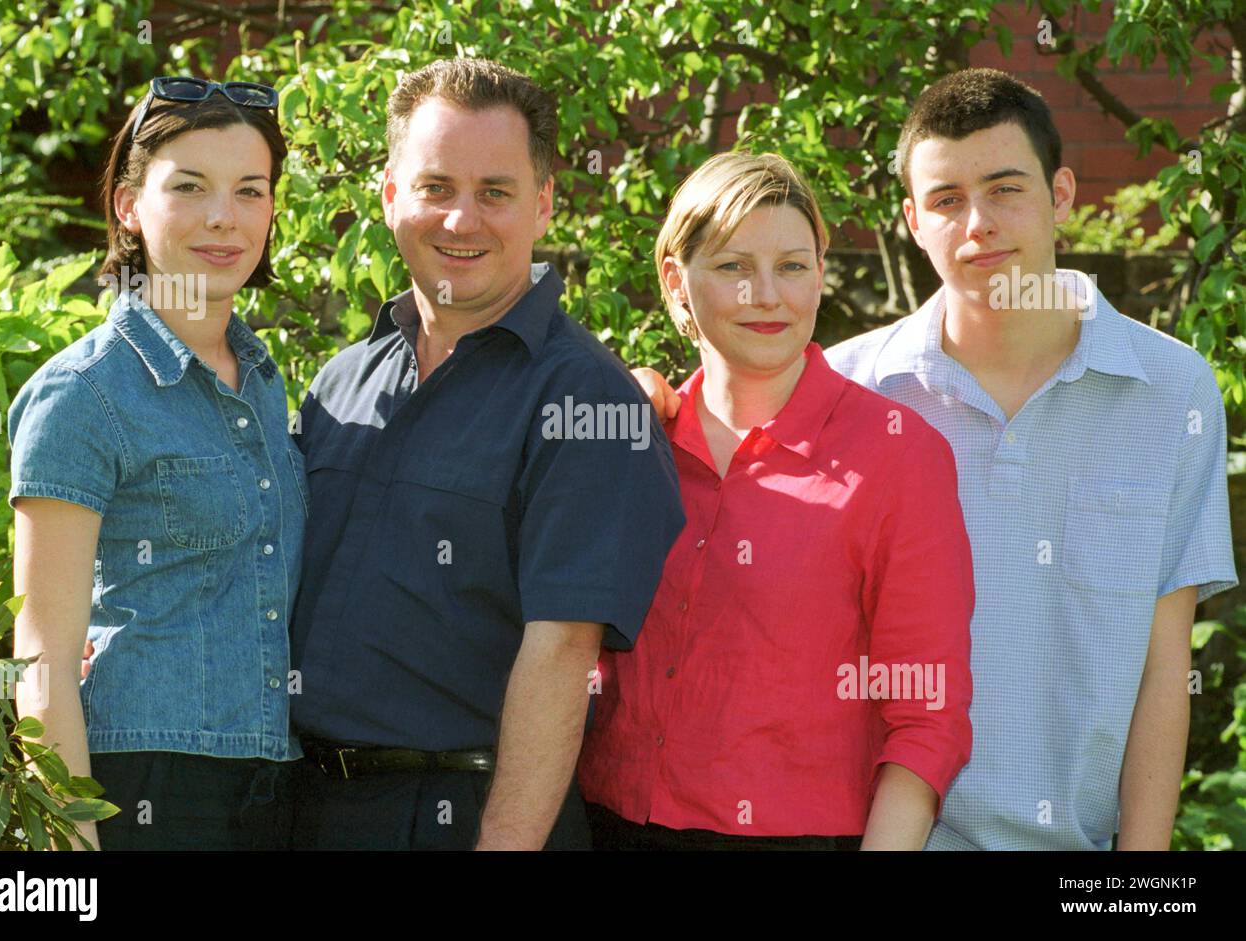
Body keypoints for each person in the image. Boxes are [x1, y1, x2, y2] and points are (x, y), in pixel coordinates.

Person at [635, 69, 1238, 850]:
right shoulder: (846, 387)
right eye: (947, 200)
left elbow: (1165, 668)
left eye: (1005, 188)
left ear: (1062, 194)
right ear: (912, 220)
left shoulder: (1171, 391)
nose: (978, 224)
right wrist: (636, 393)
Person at [287, 58, 685, 851]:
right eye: (436, 186)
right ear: (390, 195)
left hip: (468, 814)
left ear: (541, 206)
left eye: (495, 193)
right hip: (299, 808)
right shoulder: (340, 381)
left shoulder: (588, 401)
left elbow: (562, 654)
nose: (462, 220)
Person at [578, 152, 975, 851]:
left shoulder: (898, 455)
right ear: (676, 282)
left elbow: (927, 718)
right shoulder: (637, 441)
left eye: (792, 265)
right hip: (599, 825)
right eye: (733, 267)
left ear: (821, 273)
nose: (767, 294)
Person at [10, 76, 305, 850]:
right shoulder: (81, 396)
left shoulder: (268, 386)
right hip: (143, 792)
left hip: (278, 791)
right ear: (128, 205)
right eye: (190, 187)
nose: (224, 217)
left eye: (251, 189)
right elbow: (40, 665)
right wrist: (73, 855)